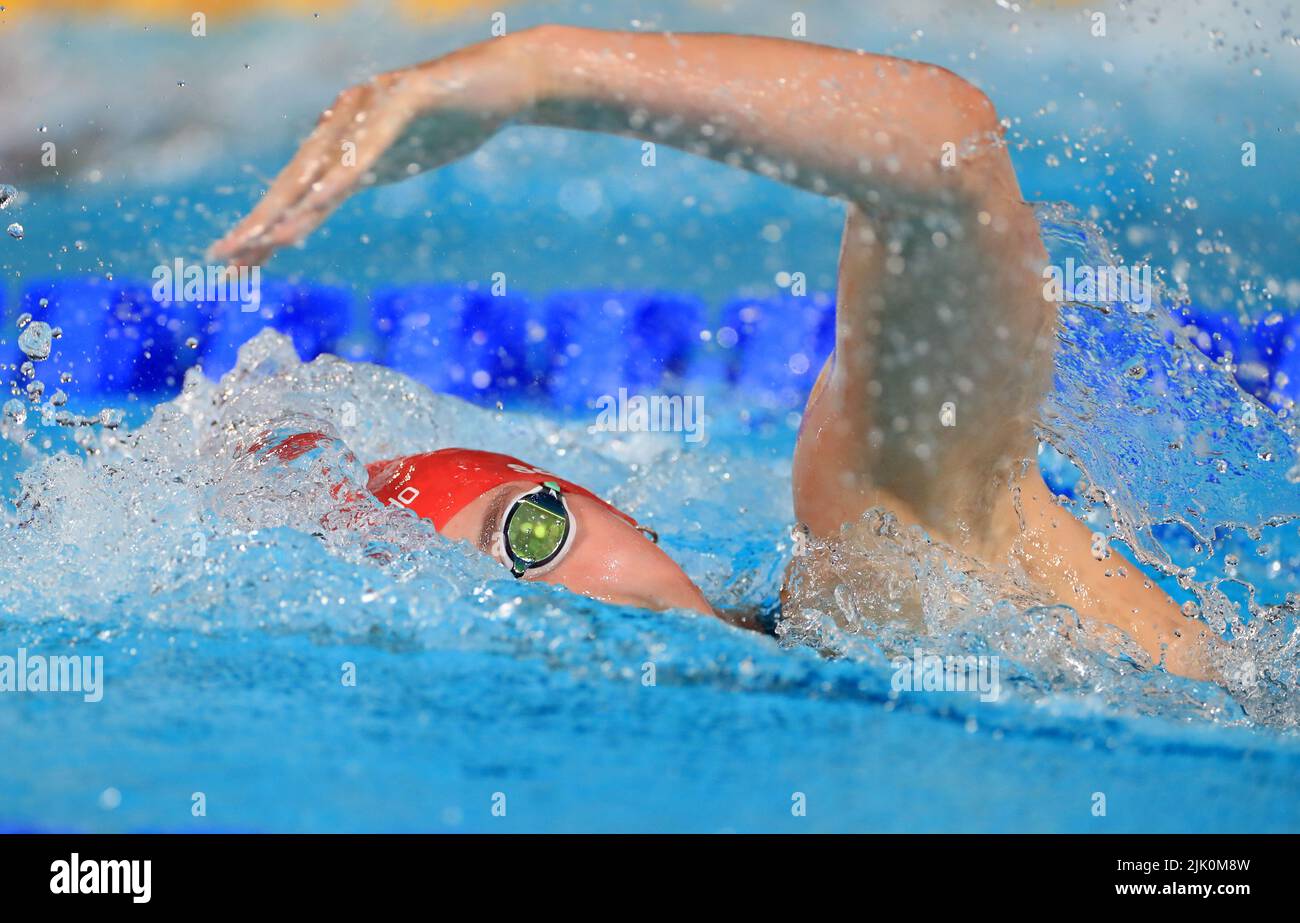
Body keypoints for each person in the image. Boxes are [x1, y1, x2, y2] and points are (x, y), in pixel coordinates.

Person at [210, 25, 1216, 679]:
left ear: (620, 512)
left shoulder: (874, 575)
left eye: (527, 535)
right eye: (497, 615)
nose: (556, 605)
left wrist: (540, 74)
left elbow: (949, 164)